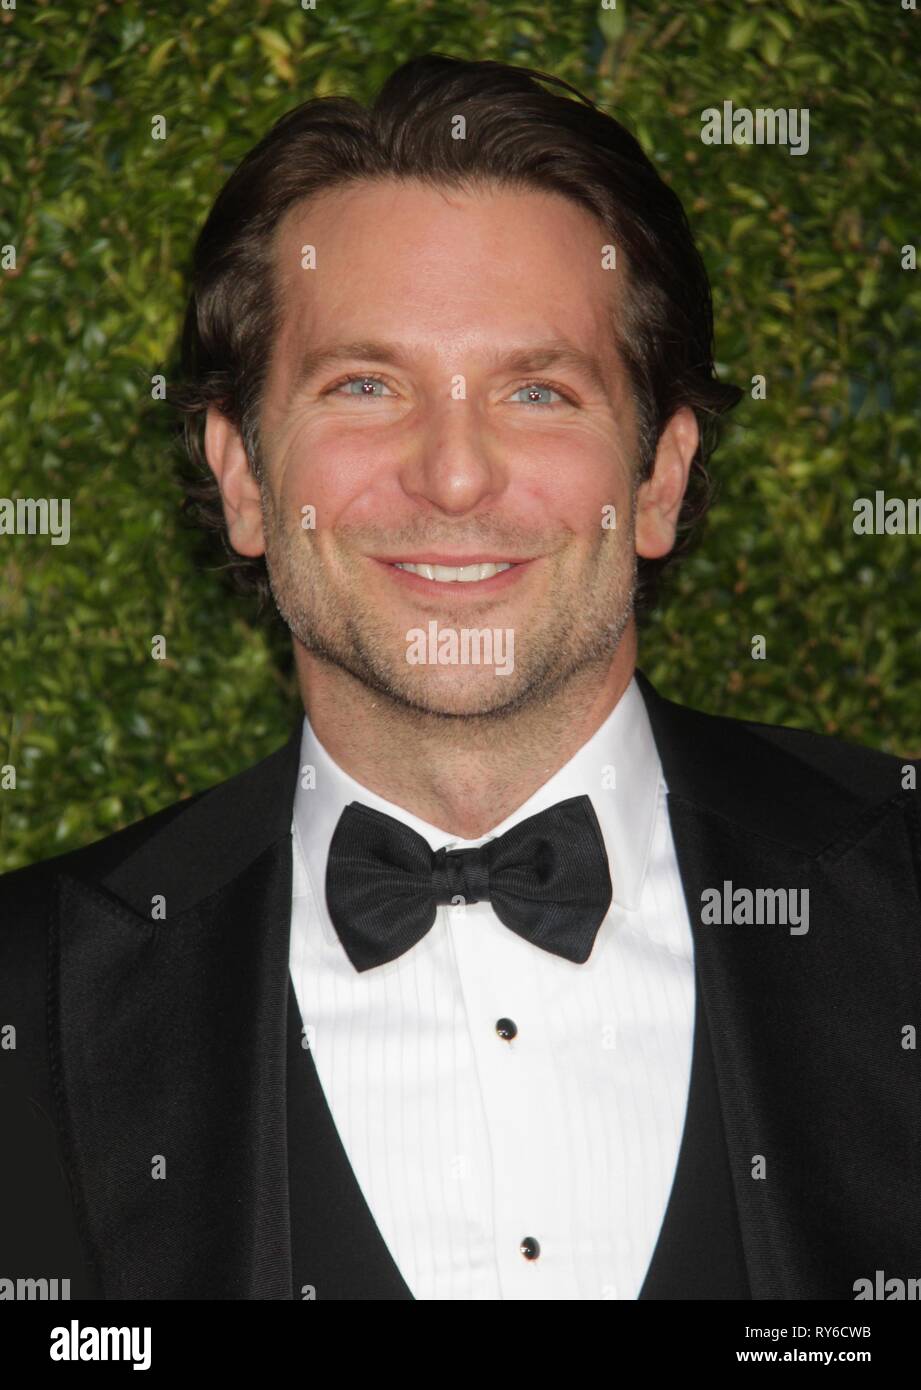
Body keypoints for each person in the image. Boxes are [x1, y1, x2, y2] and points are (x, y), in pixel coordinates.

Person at [2, 54, 918, 1302]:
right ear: (243, 478)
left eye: (537, 391)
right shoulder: (29, 987)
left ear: (657, 478)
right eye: (366, 386)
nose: (452, 476)